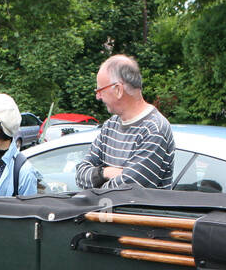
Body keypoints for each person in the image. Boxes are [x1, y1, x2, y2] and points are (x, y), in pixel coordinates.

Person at [74, 54, 175, 190]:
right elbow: (80, 175)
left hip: (134, 212)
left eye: (100, 90)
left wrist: (95, 186)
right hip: (104, 210)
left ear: (118, 89)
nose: (98, 97)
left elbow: (127, 190)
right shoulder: (110, 125)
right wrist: (105, 172)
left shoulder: (154, 129)